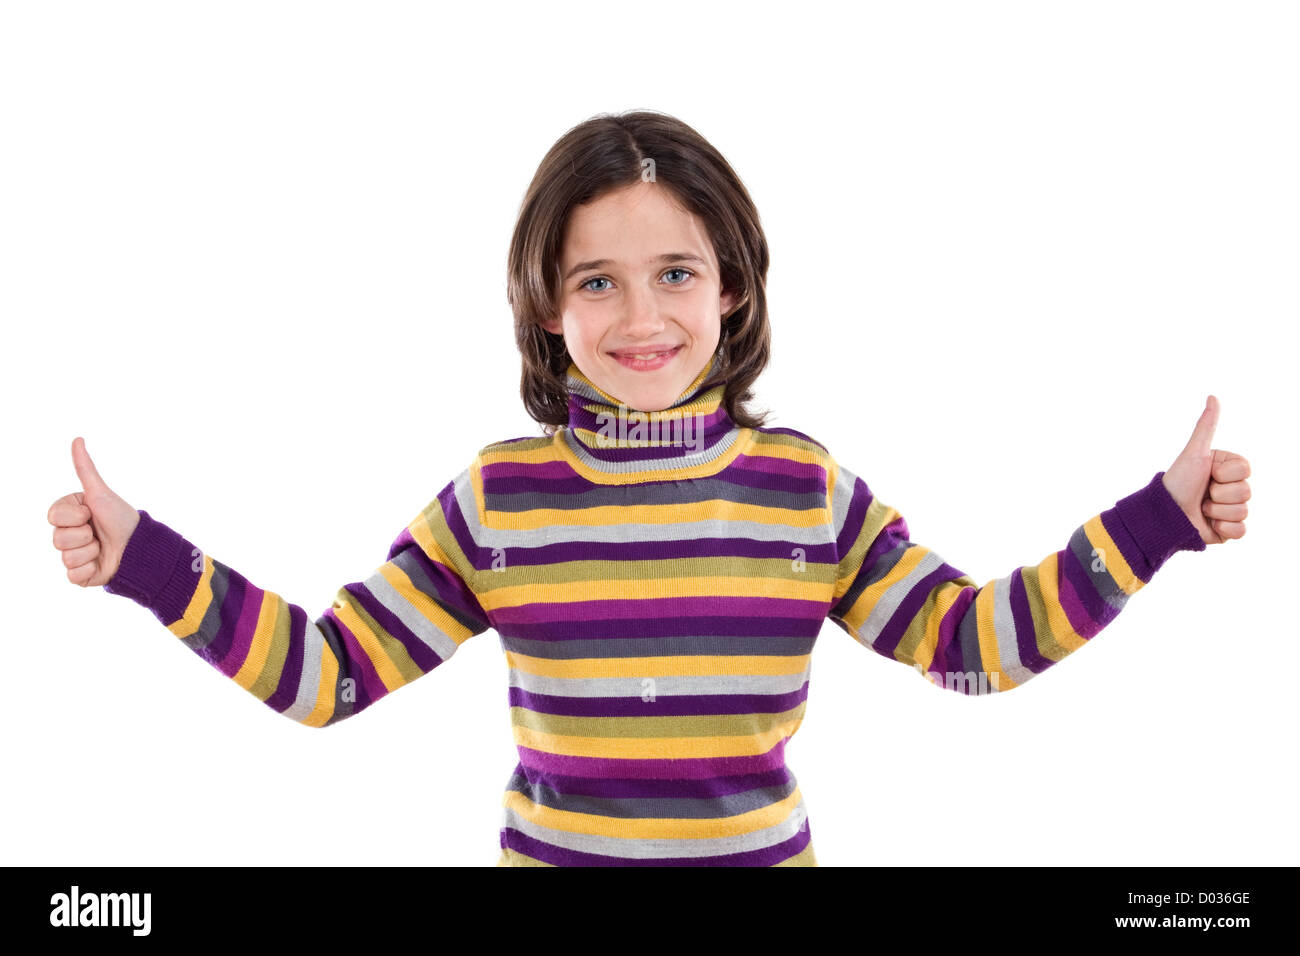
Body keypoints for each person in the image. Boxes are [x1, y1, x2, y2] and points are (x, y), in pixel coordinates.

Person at [48, 110, 1252, 867]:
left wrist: (1157, 520)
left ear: (728, 285)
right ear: (546, 306)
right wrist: (146, 559)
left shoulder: (802, 491)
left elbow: (973, 645)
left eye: (674, 272)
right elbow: (328, 675)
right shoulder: (498, 499)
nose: (639, 317)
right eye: (596, 283)